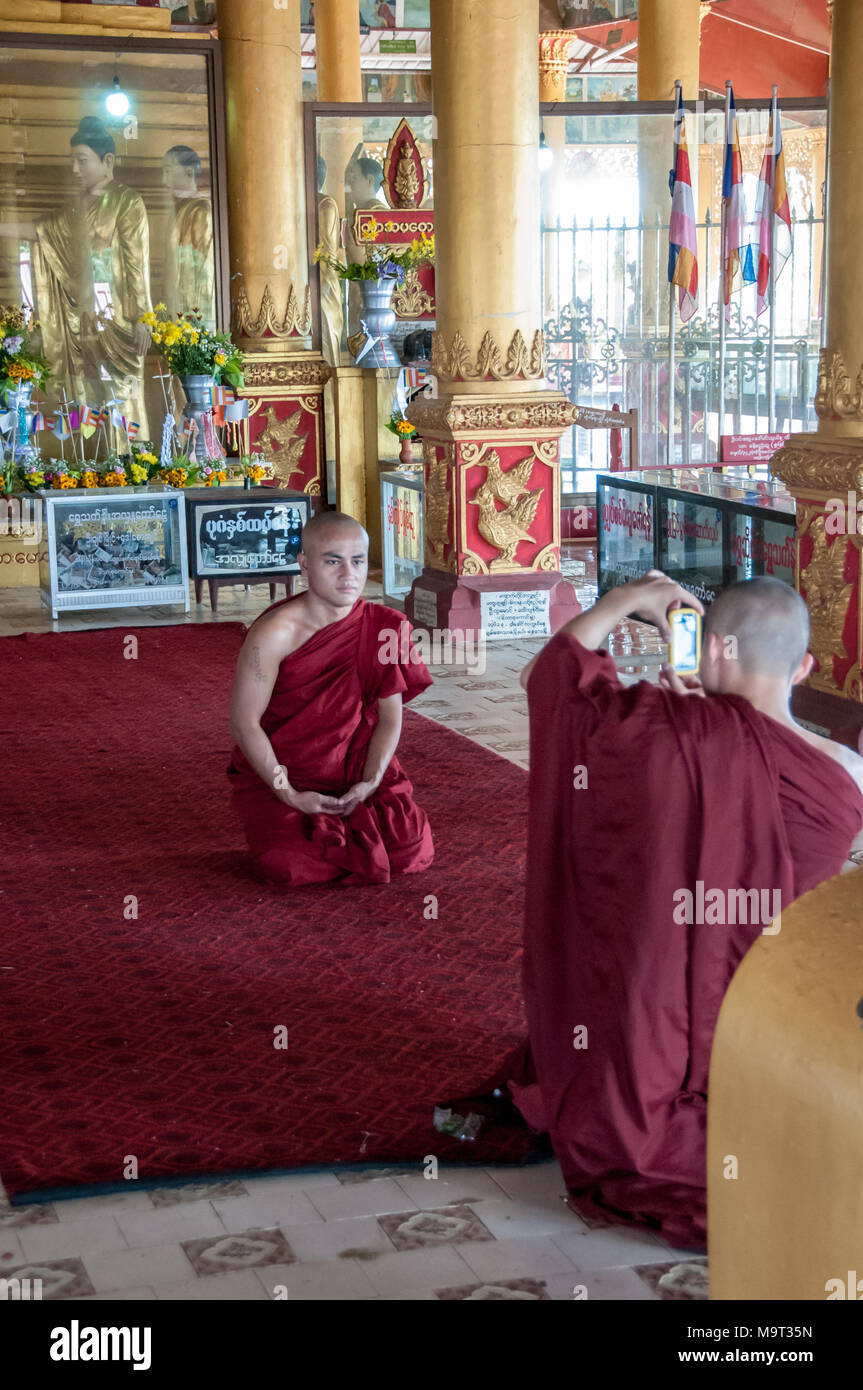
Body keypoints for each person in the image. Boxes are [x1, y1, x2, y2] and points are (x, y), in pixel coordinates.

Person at [467, 572, 863, 1251]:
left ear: (710, 651)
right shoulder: (846, 771)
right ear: (801, 666)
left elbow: (548, 680)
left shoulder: (651, 734)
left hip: (650, 1022)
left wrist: (620, 604)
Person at [228, 512, 434, 887]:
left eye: (357, 561)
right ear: (304, 563)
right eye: (332, 561)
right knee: (287, 864)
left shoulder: (385, 626)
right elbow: (245, 724)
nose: (348, 574)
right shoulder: (273, 633)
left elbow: (389, 717)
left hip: (356, 765)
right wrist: (288, 794)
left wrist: (371, 781)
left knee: (410, 849)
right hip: (288, 769)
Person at [29, 116, 152, 441]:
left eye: (81, 160)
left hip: (118, 324)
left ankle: (131, 463)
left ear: (107, 160)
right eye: (72, 161)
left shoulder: (127, 201)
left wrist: (143, 316)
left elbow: (135, 263)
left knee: (122, 399)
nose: (74, 170)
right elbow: (42, 234)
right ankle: (94, 463)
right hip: (81, 323)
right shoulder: (74, 211)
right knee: (86, 399)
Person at [162, 144, 215, 329]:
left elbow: (205, 270)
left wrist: (200, 316)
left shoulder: (201, 209)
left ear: (190, 172)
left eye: (168, 171)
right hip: (176, 310)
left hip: (196, 314)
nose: (163, 179)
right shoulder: (176, 210)